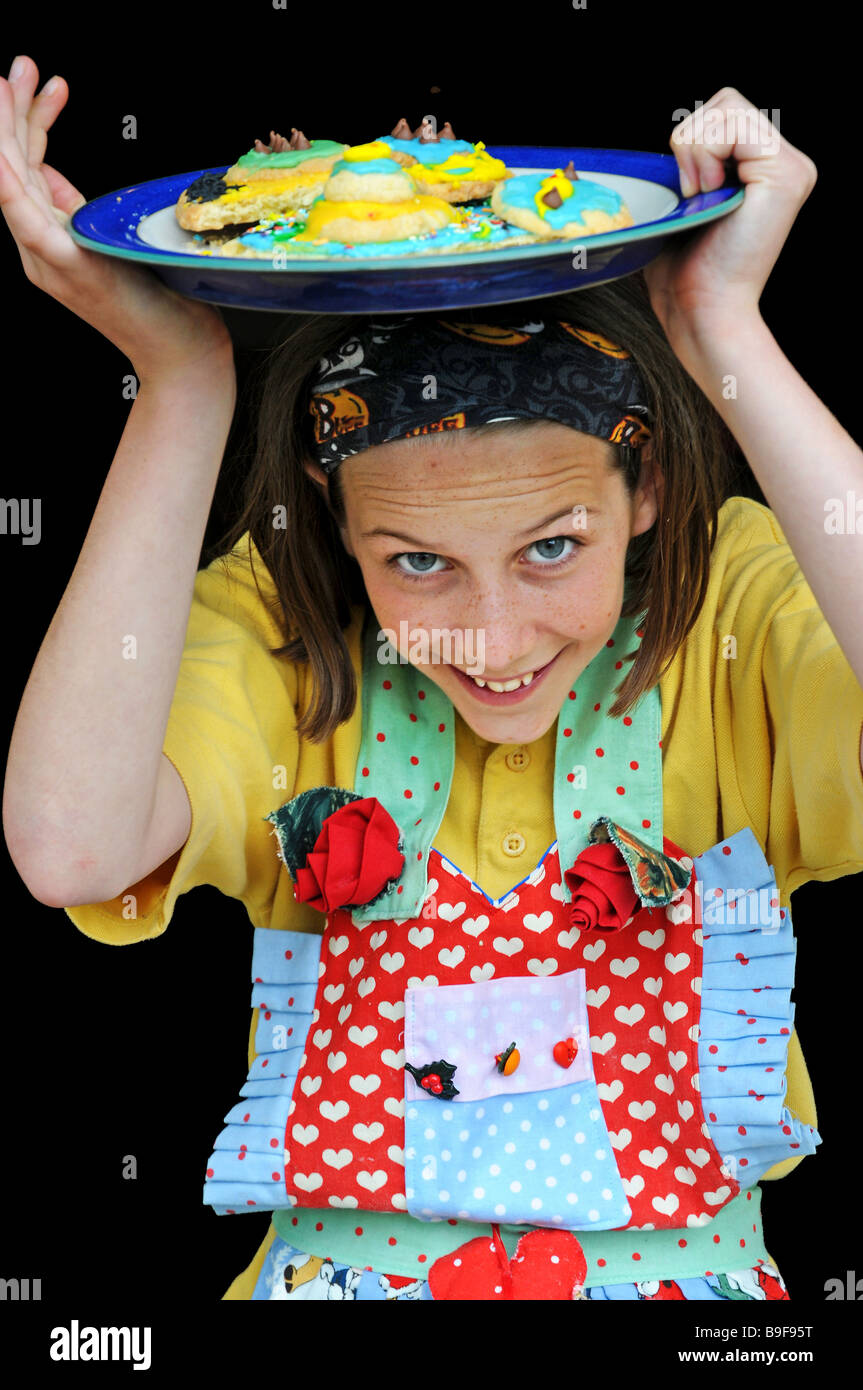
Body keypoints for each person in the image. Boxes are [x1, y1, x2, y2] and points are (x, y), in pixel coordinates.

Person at [4, 57, 862, 1302]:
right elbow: (70, 850)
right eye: (416, 563)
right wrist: (183, 386)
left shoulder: (728, 601)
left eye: (553, 547)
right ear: (338, 535)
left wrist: (722, 327)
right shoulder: (284, 626)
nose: (494, 635)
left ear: (651, 492)